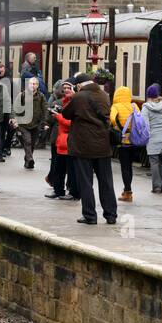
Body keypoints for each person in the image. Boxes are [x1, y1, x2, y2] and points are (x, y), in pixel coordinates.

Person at [62, 74, 117, 226]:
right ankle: (111, 215)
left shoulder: (79, 97)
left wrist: (72, 97)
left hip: (83, 146)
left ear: (79, 85)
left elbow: (66, 113)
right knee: (106, 181)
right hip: (102, 145)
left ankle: (90, 215)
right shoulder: (104, 95)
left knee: (86, 182)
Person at [45, 81, 80, 201]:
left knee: (72, 170)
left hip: (70, 141)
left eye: (69, 88)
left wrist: (58, 117)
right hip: (61, 140)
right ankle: (58, 190)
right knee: (58, 168)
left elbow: (72, 123)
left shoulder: (76, 103)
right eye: (64, 88)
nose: (66, 90)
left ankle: (73, 193)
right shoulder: (62, 102)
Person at [109, 86, 142, 203]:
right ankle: (127, 190)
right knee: (130, 166)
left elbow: (112, 119)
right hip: (134, 140)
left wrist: (118, 126)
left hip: (123, 141)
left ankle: (128, 192)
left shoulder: (115, 106)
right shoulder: (134, 106)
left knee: (125, 167)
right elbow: (139, 119)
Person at [142, 85, 162, 194]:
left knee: (154, 163)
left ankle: (157, 187)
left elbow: (145, 125)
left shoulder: (146, 108)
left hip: (152, 139)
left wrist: (147, 137)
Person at [15, 77, 48, 170]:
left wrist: (45, 122)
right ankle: (30, 159)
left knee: (33, 143)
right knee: (27, 141)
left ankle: (27, 160)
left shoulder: (41, 96)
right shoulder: (22, 95)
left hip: (36, 123)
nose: (32, 85)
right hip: (23, 123)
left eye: (35, 84)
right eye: (31, 84)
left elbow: (45, 109)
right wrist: (14, 120)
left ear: (37, 85)